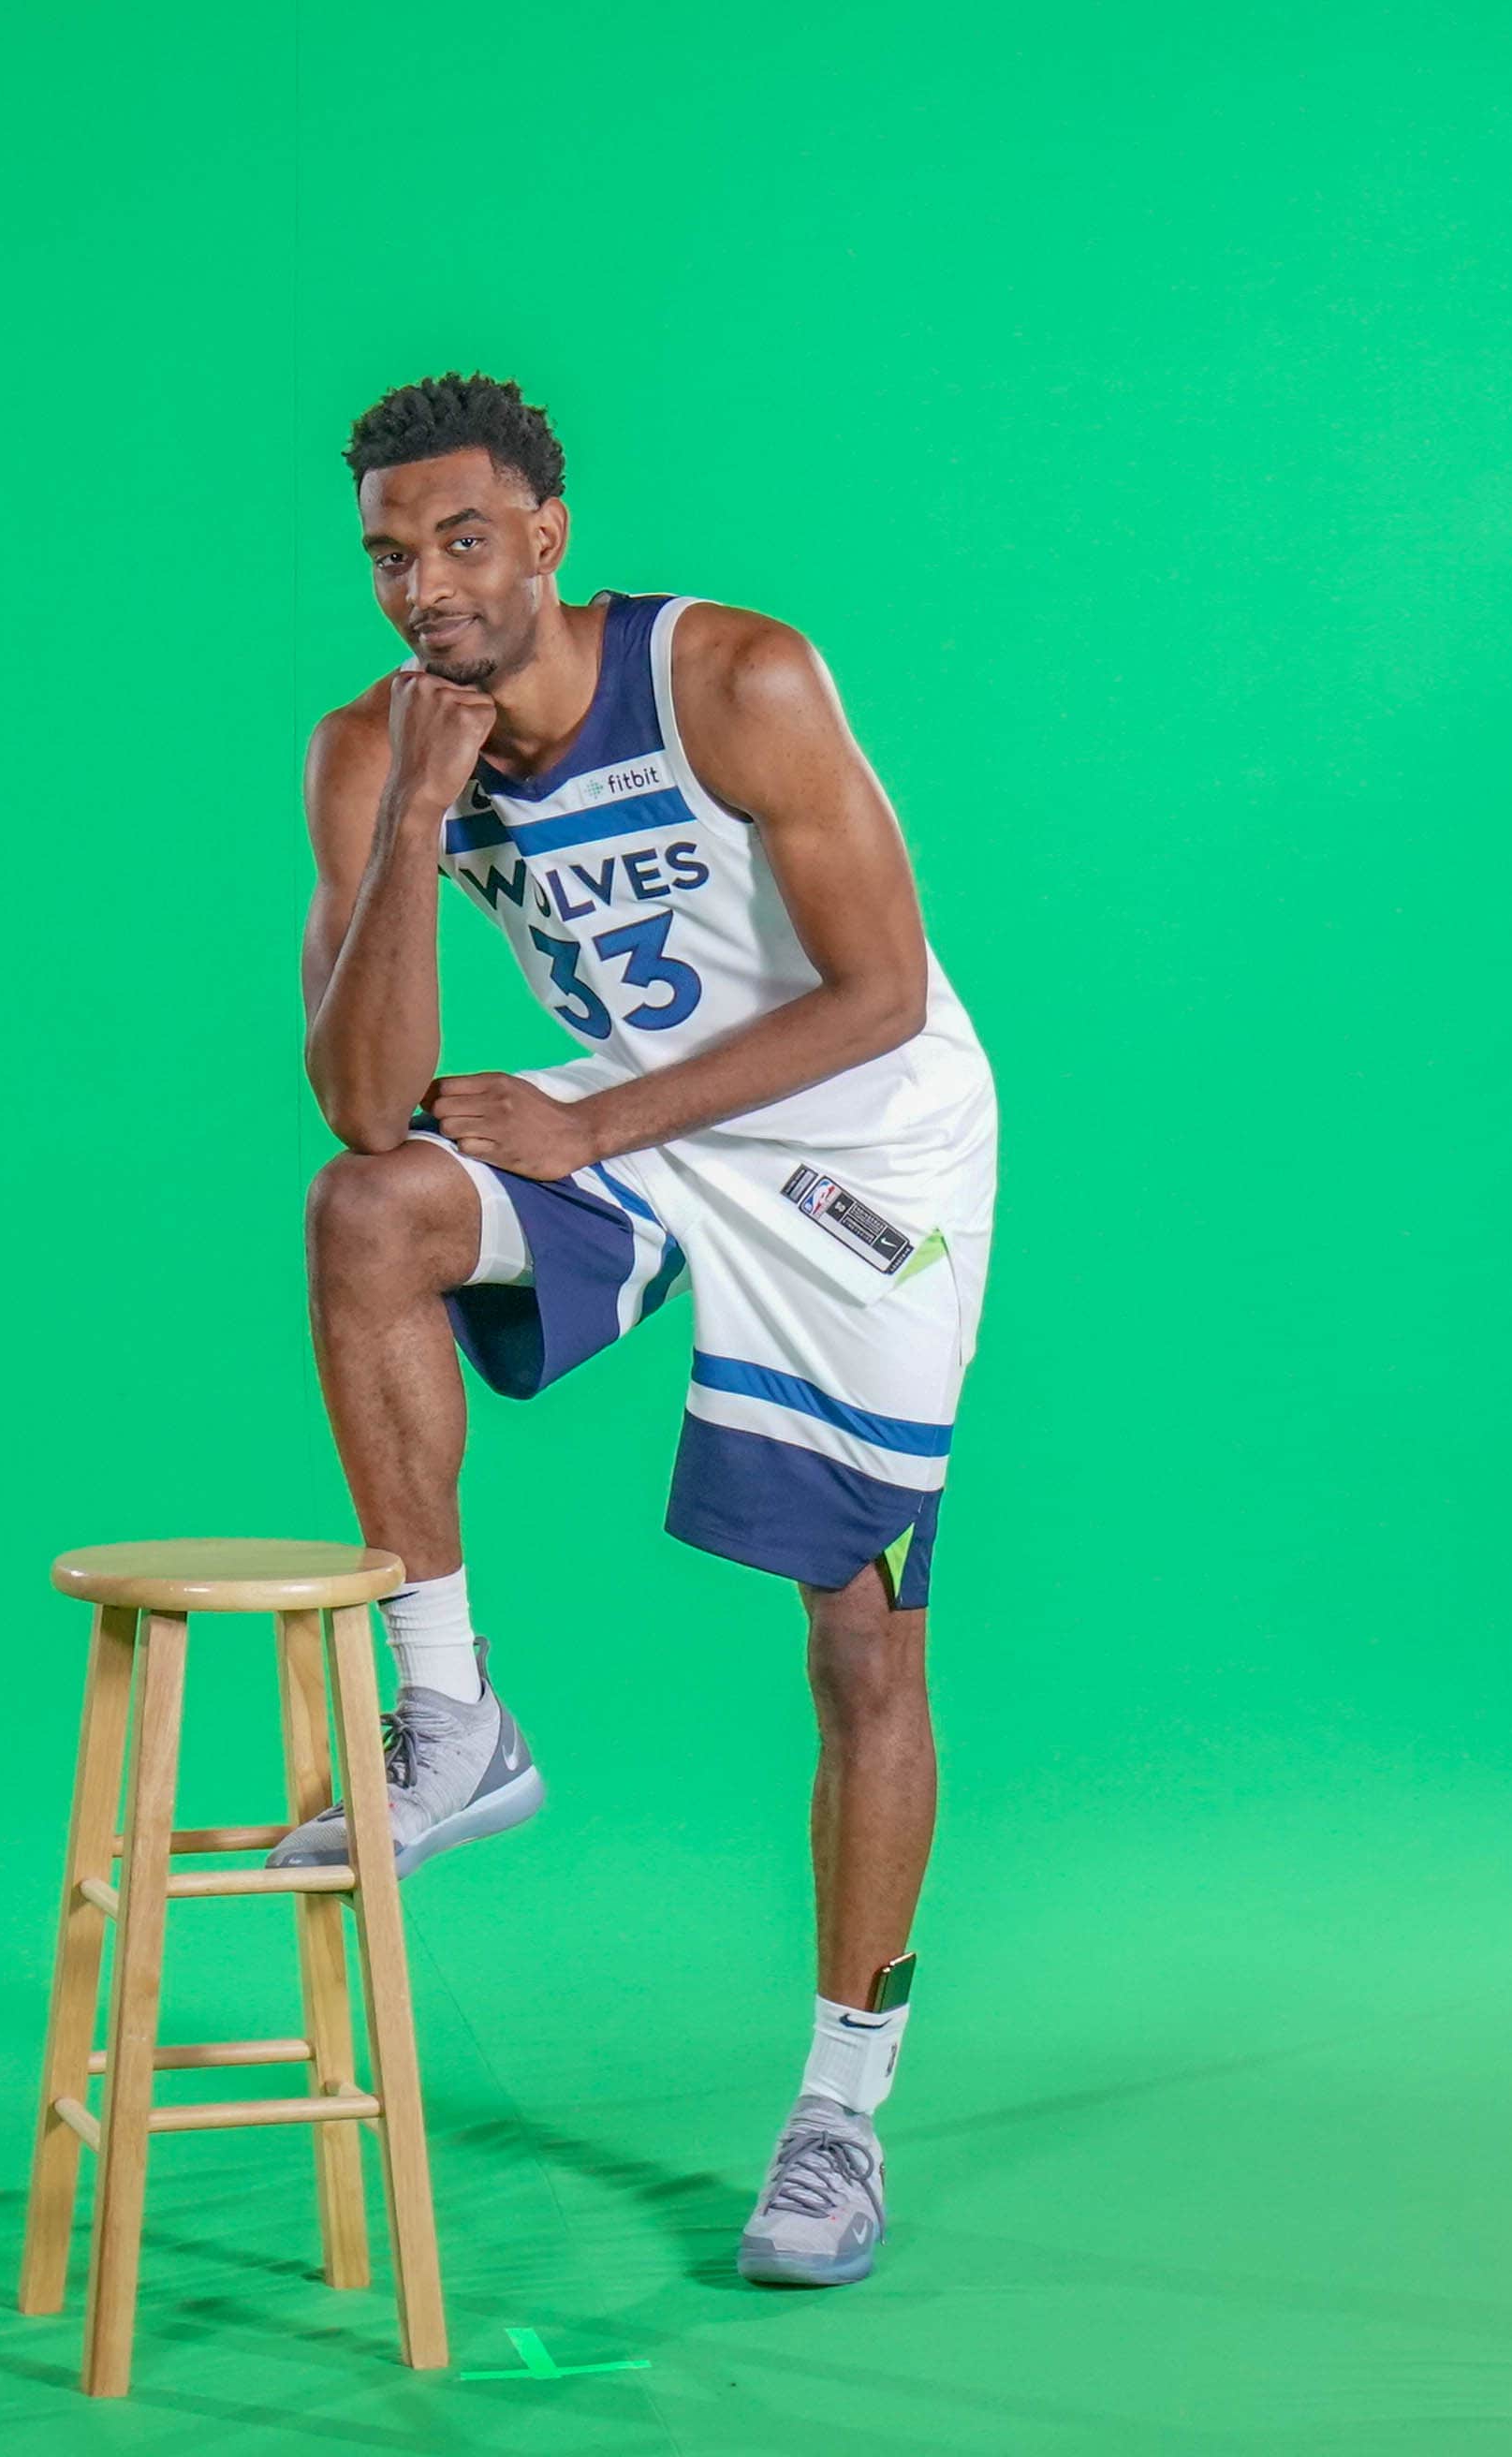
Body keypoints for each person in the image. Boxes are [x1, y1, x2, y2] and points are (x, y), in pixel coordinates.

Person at [269, 372, 996, 2288]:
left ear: (548, 533)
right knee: (370, 1215)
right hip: (652, 1114)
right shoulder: (372, 752)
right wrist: (427, 814)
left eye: (463, 541)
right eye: (389, 554)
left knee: (861, 1644)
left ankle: (839, 2112)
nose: (424, 586)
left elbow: (882, 990)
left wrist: (590, 1119)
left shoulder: (732, 680)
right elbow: (364, 1098)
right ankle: (452, 1713)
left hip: (863, 1151)